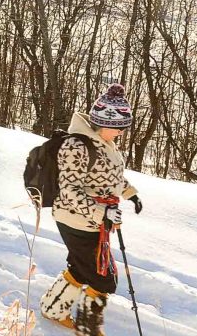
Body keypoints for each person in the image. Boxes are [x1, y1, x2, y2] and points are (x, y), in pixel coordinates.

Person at [40, 84, 143, 335]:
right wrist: (101, 212)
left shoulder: (103, 142)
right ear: (102, 122)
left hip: (92, 220)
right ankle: (88, 328)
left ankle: (53, 309)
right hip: (75, 220)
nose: (121, 132)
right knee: (103, 278)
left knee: (81, 266)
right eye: (119, 126)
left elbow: (108, 177)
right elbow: (69, 190)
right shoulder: (78, 147)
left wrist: (131, 193)